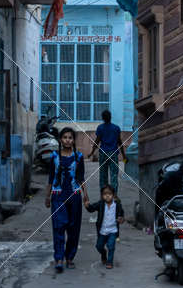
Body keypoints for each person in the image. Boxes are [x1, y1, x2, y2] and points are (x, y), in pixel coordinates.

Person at [45, 127, 88, 274]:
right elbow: (51, 178)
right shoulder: (54, 156)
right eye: (65, 137)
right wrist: (47, 196)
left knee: (73, 228)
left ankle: (69, 257)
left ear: (73, 140)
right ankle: (59, 258)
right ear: (60, 140)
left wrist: (85, 195)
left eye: (70, 137)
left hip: (74, 196)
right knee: (58, 227)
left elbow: (81, 177)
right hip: (58, 196)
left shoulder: (79, 157)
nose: (67, 140)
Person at [86, 184, 123, 269]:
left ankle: (109, 262)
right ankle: (103, 253)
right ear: (102, 196)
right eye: (104, 194)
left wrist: (121, 219)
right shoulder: (101, 204)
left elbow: (121, 214)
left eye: (109, 193)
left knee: (111, 246)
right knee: (99, 246)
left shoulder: (117, 205)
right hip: (102, 231)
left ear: (113, 195)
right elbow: (91, 208)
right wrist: (87, 205)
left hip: (112, 230)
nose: (107, 195)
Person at [91, 110, 128, 192]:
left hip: (103, 153)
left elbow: (96, 142)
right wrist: (124, 155)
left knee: (103, 176)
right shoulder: (116, 128)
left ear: (103, 118)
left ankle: (103, 195)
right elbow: (120, 142)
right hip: (113, 154)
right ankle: (114, 196)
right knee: (114, 176)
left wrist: (91, 152)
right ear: (110, 117)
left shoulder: (100, 128)